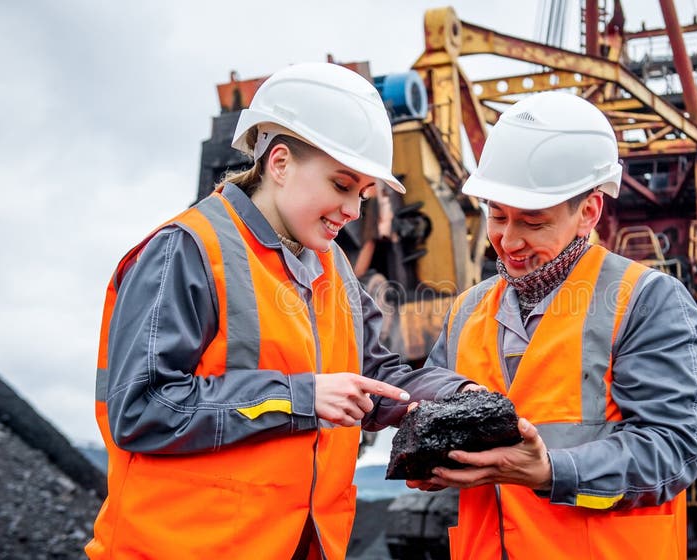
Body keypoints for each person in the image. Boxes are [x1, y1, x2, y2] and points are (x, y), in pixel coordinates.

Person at [86, 62, 474, 559]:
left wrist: (457, 396)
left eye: (361, 193)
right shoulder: (186, 250)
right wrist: (301, 397)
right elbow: (142, 408)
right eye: (341, 185)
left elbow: (376, 376)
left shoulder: (332, 267)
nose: (355, 211)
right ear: (281, 163)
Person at [408, 92, 697, 559]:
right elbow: (429, 393)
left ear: (588, 212)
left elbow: (673, 451)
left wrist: (551, 470)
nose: (509, 241)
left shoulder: (646, 301)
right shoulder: (468, 310)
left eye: (532, 221)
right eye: (497, 216)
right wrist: (429, 456)